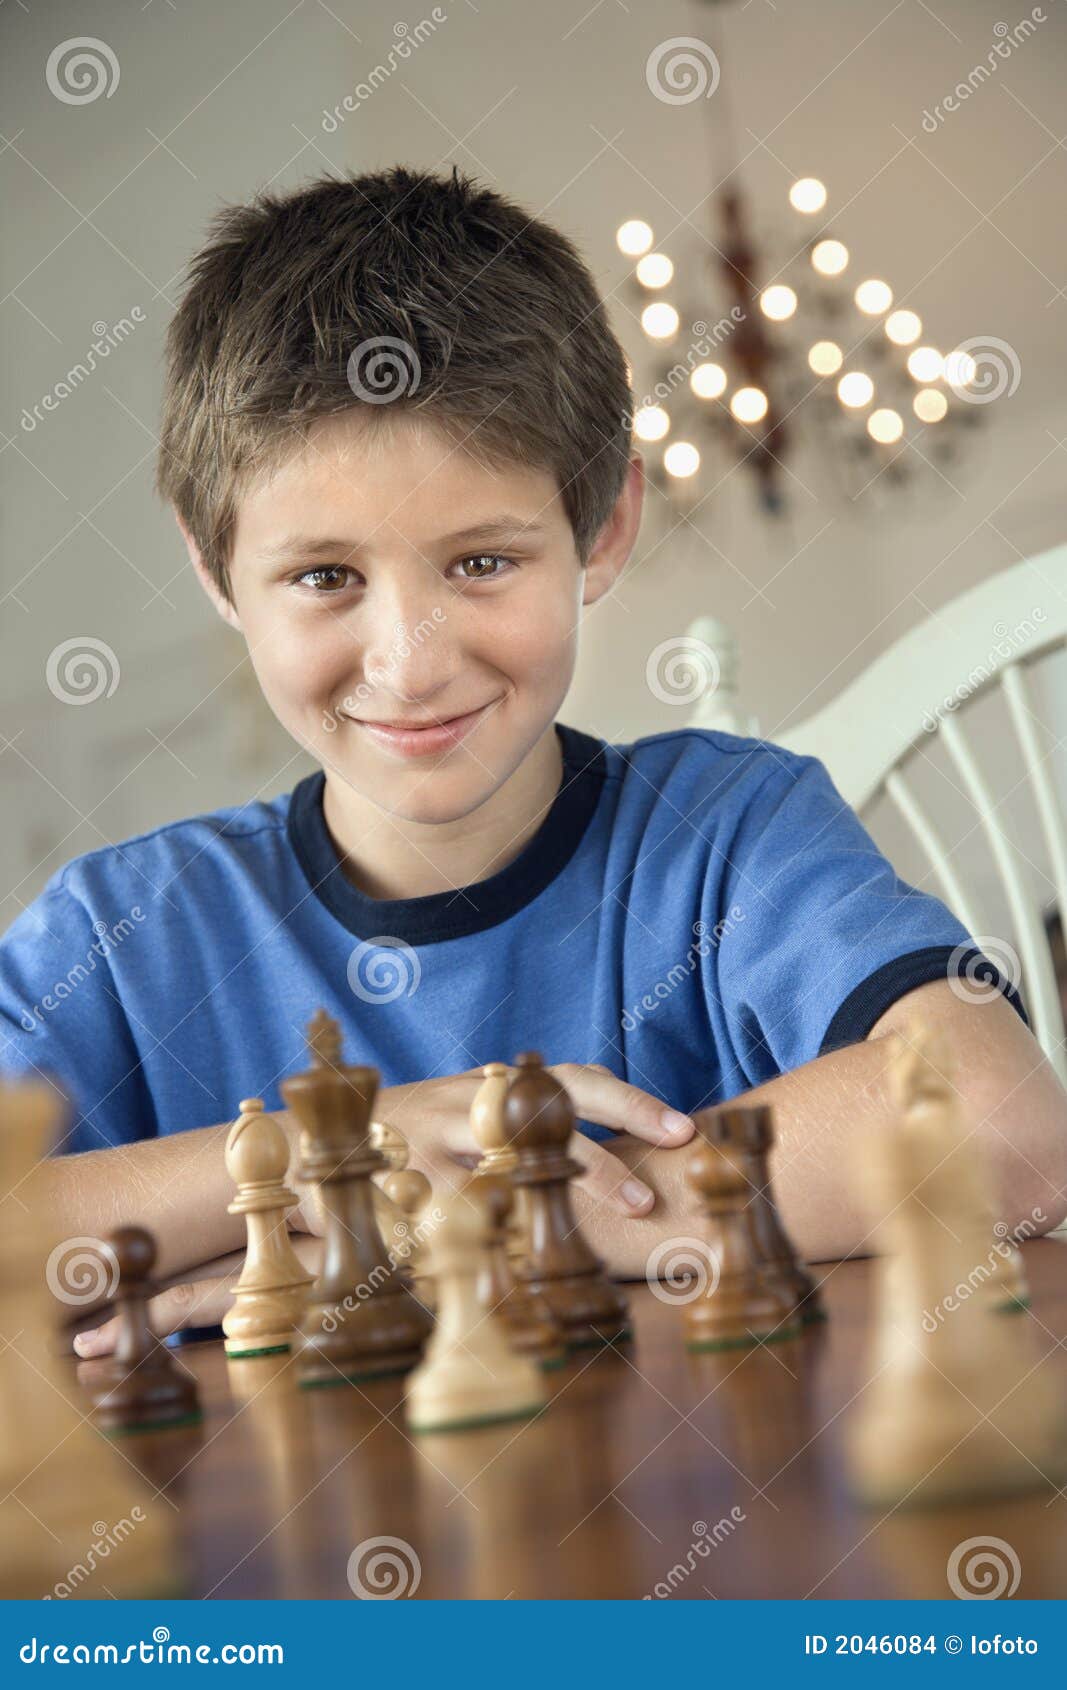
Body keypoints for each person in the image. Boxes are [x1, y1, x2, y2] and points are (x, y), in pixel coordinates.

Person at [2, 166, 1064, 1354]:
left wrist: (452, 1225)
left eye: (480, 563)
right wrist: (344, 1149)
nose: (408, 665)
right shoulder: (119, 935)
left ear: (601, 527)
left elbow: (1003, 1123)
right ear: (216, 571)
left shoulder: (726, 832)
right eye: (323, 577)